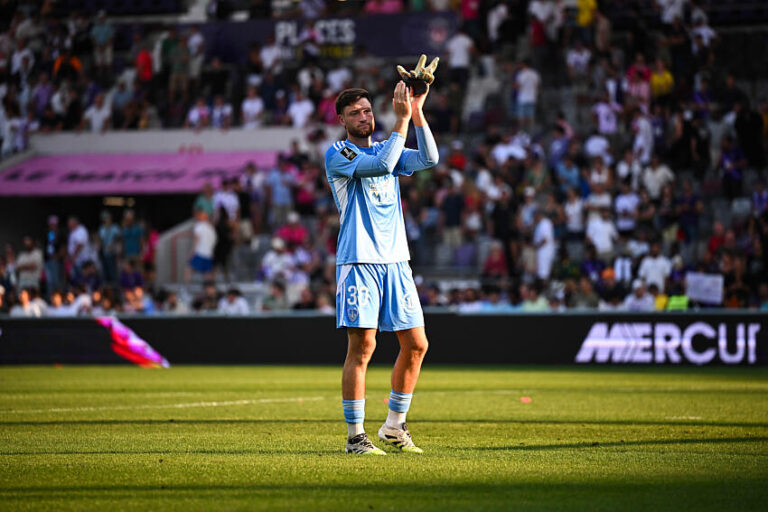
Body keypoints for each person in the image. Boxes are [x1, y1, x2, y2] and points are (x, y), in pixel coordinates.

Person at [325, 83, 438, 455]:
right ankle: (355, 437)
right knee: (363, 346)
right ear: (341, 120)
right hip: (359, 259)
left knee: (417, 344)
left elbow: (429, 159)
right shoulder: (338, 153)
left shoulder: (384, 147)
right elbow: (383, 166)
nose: (364, 117)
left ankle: (393, 425)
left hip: (396, 261)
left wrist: (417, 111)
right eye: (355, 113)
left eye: (368, 110)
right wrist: (401, 119)